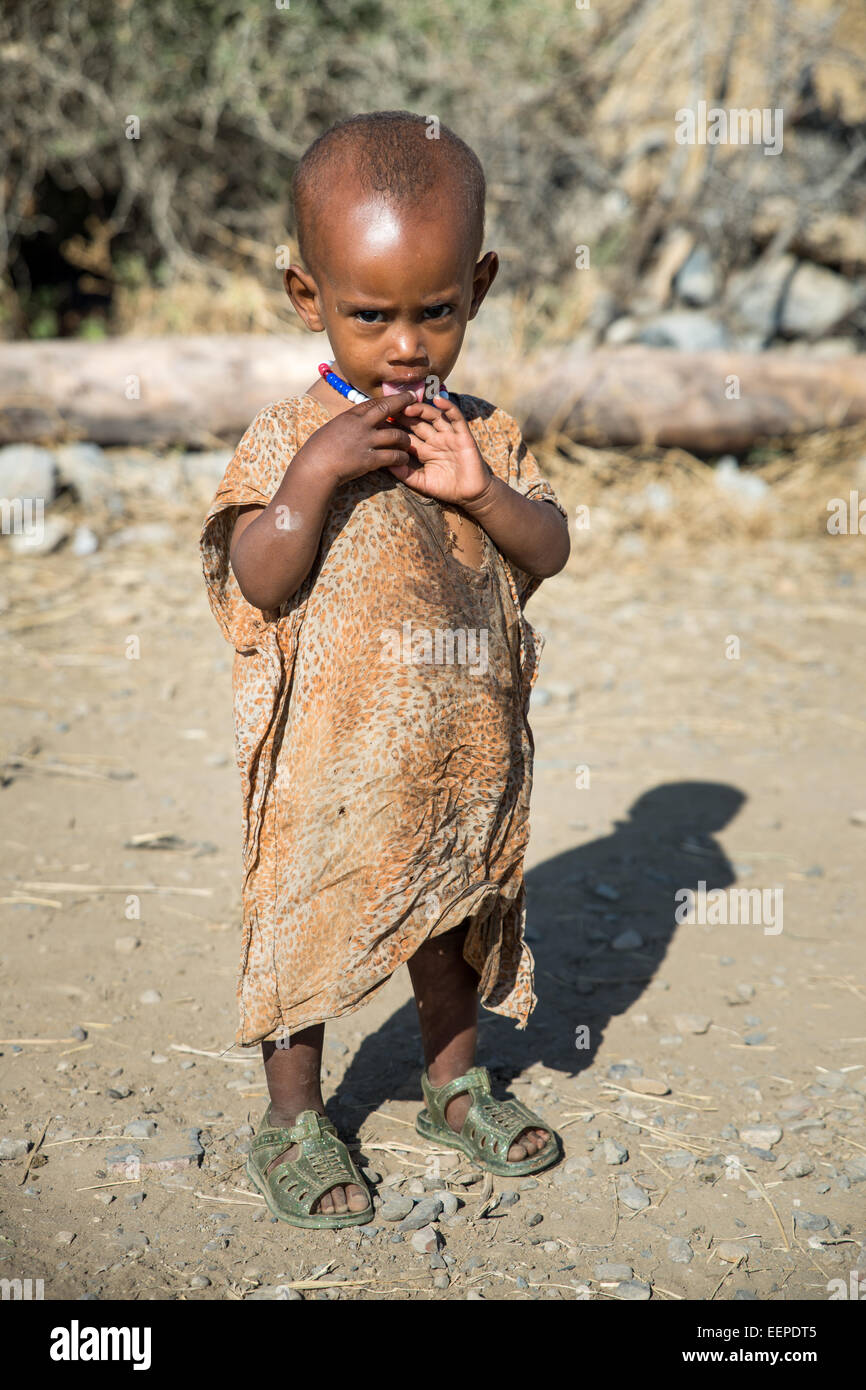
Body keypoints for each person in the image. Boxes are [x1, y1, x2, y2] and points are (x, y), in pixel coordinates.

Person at [200, 110, 570, 1229]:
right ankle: (293, 1116)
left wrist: (481, 494)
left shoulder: (485, 433)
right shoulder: (285, 435)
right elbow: (256, 576)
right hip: (327, 753)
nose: (407, 346)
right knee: (304, 923)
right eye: (370, 315)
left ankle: (453, 1083)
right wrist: (313, 475)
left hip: (458, 754)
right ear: (308, 298)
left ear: (481, 284)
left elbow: (547, 548)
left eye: (437, 311)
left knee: (454, 916)